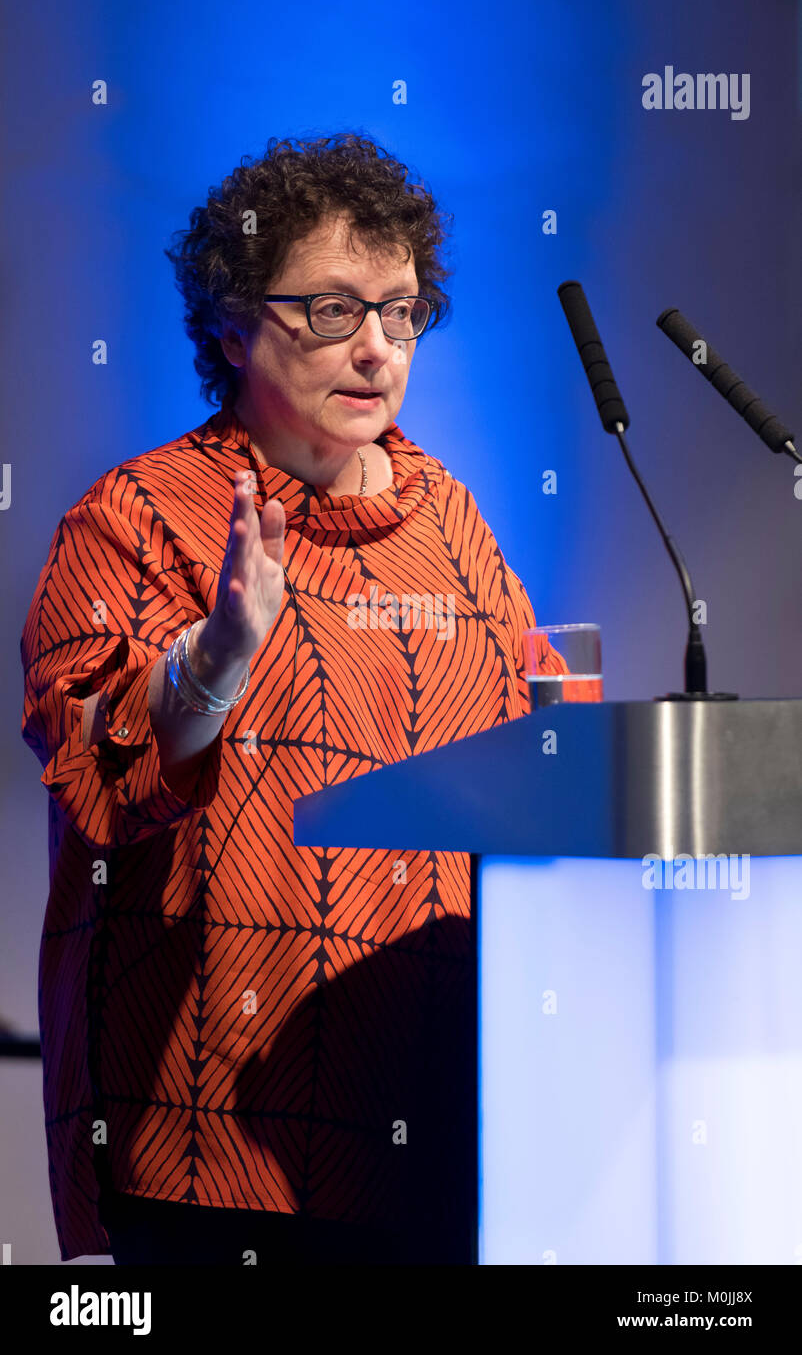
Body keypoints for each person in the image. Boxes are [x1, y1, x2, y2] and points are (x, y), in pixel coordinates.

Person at [20, 131, 569, 1266]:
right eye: (331, 310)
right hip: (212, 1141)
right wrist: (213, 658)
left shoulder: (451, 520)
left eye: (402, 311)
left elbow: (522, 763)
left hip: (436, 1119)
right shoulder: (136, 517)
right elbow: (94, 774)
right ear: (227, 321)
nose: (376, 350)